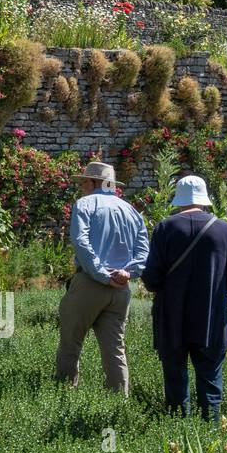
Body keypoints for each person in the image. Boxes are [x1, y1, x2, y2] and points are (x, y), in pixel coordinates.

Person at [140, 175, 227, 419]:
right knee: (210, 382)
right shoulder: (223, 229)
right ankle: (209, 440)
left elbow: (151, 279)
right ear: (204, 198)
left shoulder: (165, 228)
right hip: (210, 319)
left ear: (178, 199)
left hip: (172, 319)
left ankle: (178, 433)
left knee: (175, 382)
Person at [55, 160, 149, 394]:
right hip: (121, 289)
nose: (82, 186)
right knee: (115, 349)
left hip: (90, 283)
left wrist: (102, 275)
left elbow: (82, 243)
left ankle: (63, 397)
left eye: (84, 181)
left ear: (93, 182)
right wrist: (128, 272)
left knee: (70, 343)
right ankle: (119, 404)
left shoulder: (85, 204)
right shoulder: (131, 211)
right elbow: (143, 251)